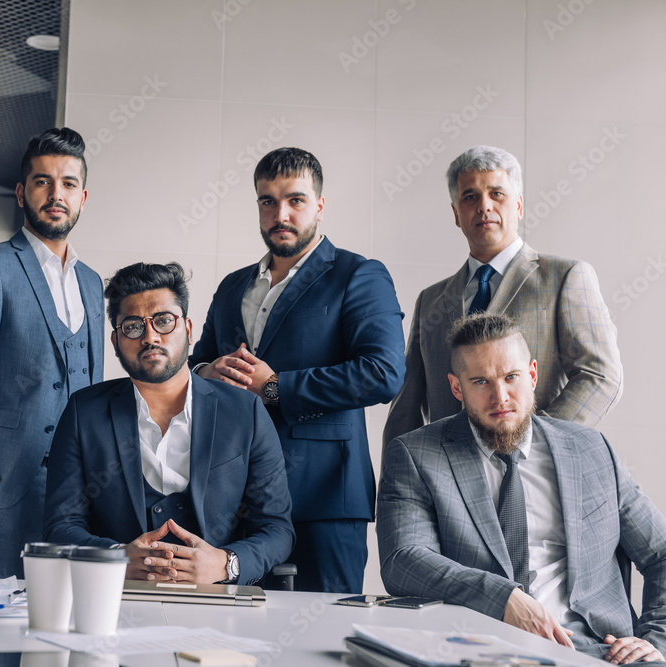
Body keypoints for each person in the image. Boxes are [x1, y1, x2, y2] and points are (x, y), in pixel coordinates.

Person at [378, 313, 666, 664]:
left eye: (511, 377)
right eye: (481, 382)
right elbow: (403, 560)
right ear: (457, 388)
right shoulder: (416, 455)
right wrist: (505, 598)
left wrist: (657, 637)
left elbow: (660, 553)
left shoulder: (591, 449)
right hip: (482, 650)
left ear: (531, 375)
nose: (500, 397)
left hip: (602, 652)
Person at [188, 147, 405, 592]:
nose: (280, 213)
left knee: (321, 639)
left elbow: (383, 372)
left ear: (320, 207)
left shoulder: (358, 275)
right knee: (237, 641)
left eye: (295, 200)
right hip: (237, 500)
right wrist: (207, 372)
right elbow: (196, 362)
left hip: (323, 498)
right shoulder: (233, 286)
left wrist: (275, 388)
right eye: (267, 201)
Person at [44, 262, 294, 585]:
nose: (150, 337)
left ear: (188, 330)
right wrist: (117, 557)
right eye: (133, 326)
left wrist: (226, 564)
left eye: (164, 321)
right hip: (116, 603)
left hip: (220, 606)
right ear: (116, 341)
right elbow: (59, 526)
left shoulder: (246, 412)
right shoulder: (83, 413)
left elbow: (277, 529)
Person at [0, 128, 104, 579]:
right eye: (42, 181)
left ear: (83, 196)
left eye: (68, 183)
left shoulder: (92, 282)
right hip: (2, 496)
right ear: (21, 192)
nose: (56, 193)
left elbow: (94, 395)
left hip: (75, 503)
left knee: (65, 632)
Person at [383, 145, 622, 448]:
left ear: (519, 205)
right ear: (456, 214)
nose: (484, 206)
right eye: (470, 197)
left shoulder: (566, 278)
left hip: (536, 477)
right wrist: (397, 478)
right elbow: (406, 406)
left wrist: (537, 444)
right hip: (448, 477)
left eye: (497, 194)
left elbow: (600, 375)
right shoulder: (430, 300)